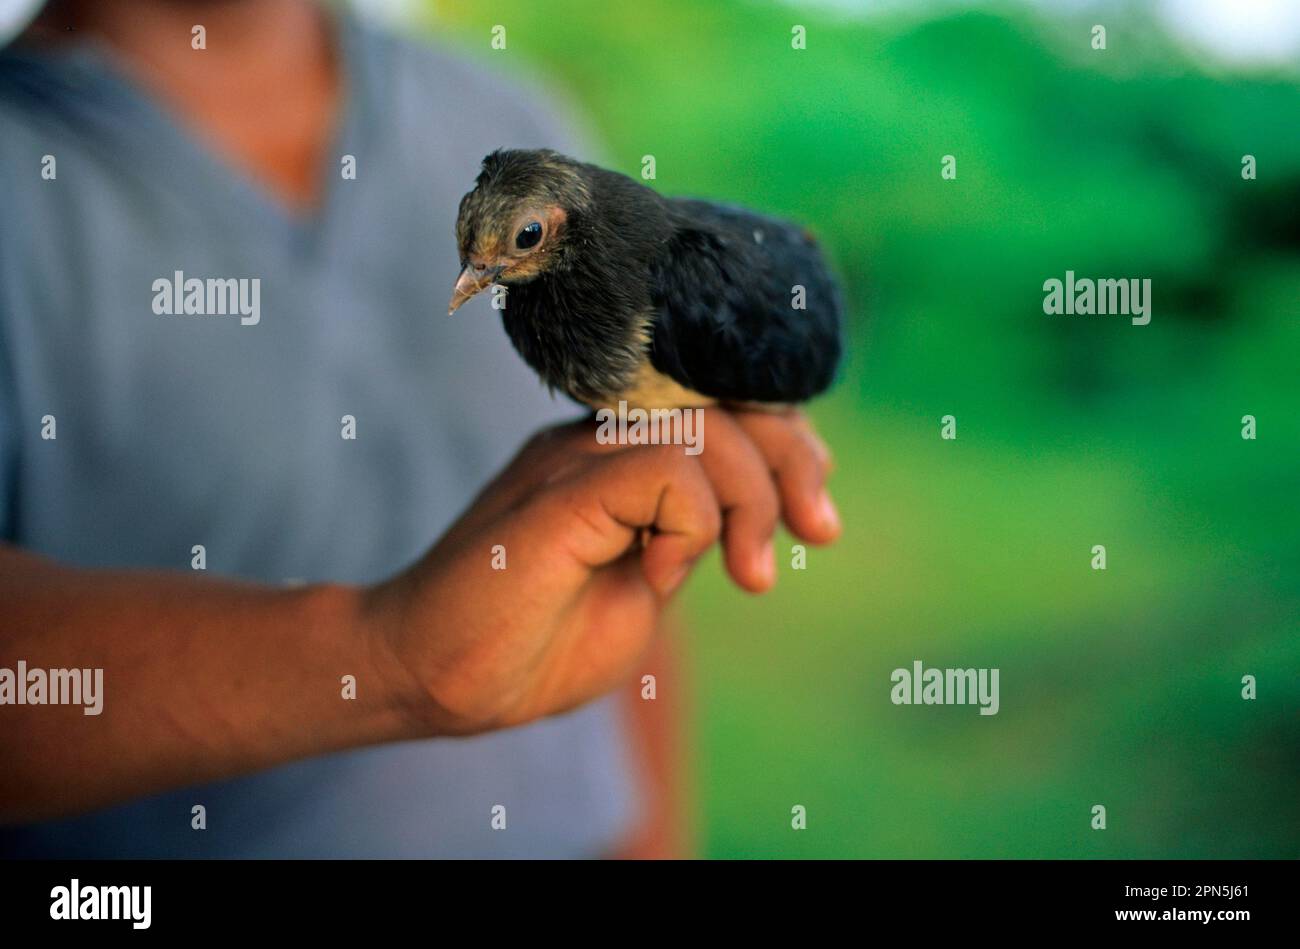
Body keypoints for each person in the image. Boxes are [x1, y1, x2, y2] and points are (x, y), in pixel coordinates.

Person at [0, 0, 839, 858]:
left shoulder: (508, 110)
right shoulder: (21, 181)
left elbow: (628, 562)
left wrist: (653, 842)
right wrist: (387, 659)